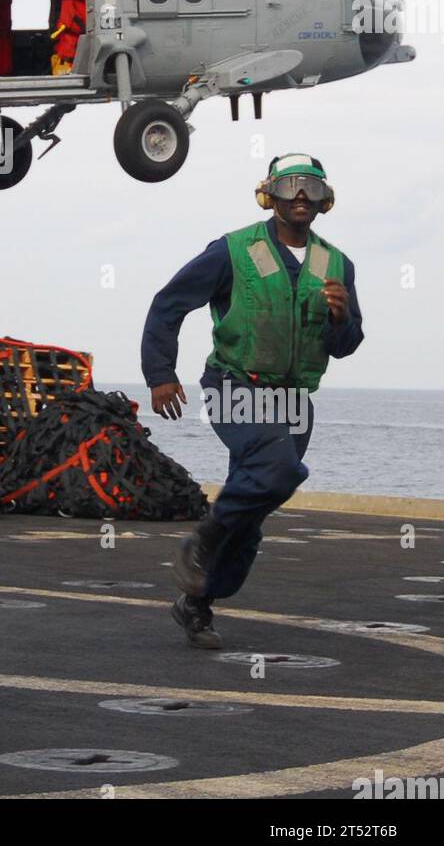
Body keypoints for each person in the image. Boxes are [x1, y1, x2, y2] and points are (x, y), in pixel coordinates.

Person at [140, 153, 363, 649]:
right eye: (289, 186)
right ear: (270, 194)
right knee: (279, 471)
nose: (300, 195)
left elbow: (346, 345)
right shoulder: (234, 250)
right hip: (236, 385)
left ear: (325, 199)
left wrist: (341, 318)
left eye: (310, 186)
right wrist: (160, 374)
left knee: (255, 504)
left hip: (294, 399)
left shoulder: (336, 264)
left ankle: (198, 602)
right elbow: (170, 301)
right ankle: (202, 539)